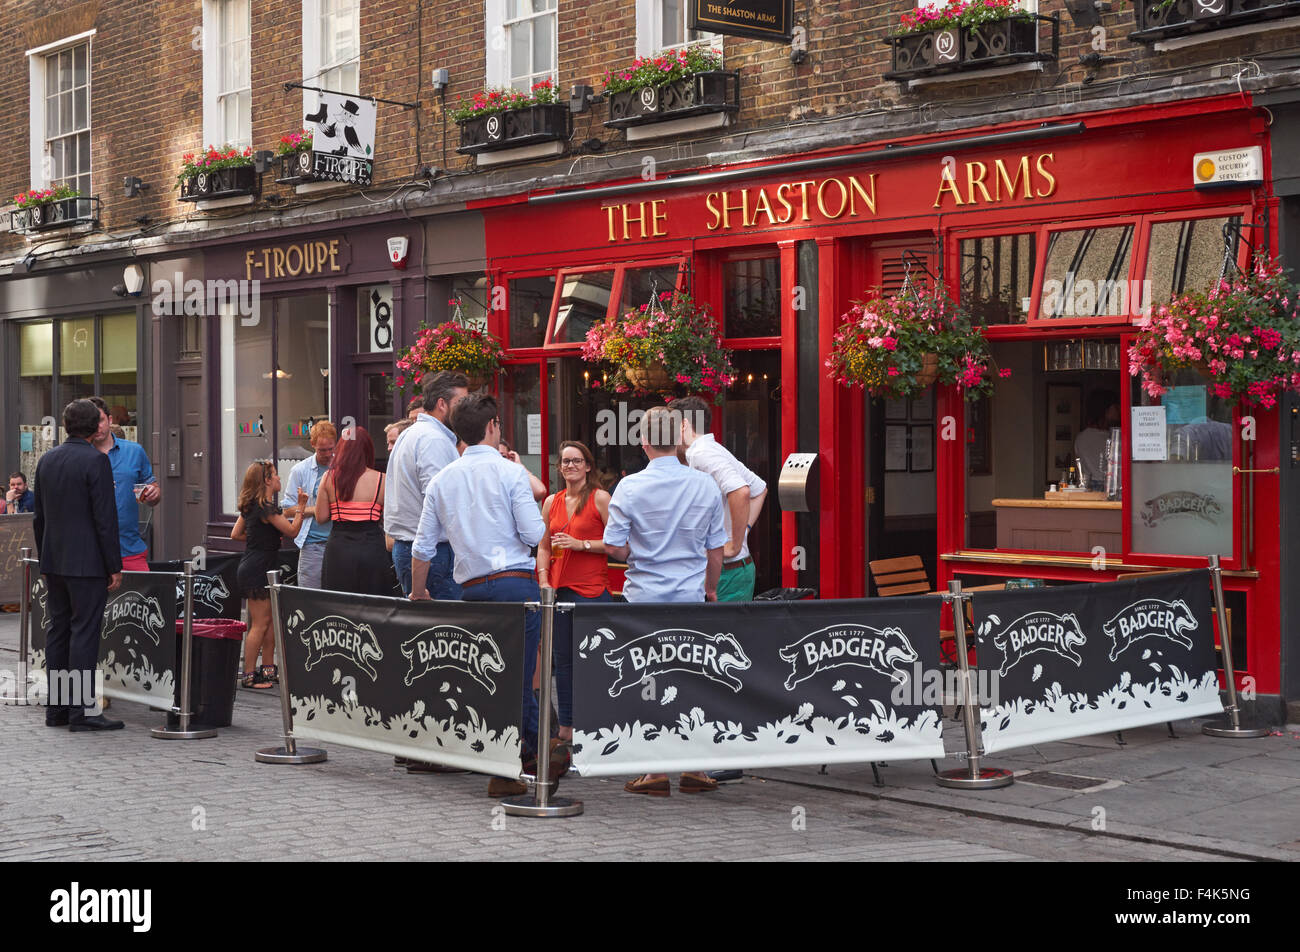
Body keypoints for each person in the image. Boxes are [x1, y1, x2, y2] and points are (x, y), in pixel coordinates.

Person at [411, 394, 548, 798]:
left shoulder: (443, 478)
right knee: (521, 675)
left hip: (471, 590)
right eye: (500, 425)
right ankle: (524, 760)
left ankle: (513, 758)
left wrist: (419, 592)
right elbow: (535, 534)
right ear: (491, 427)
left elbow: (422, 547)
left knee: (487, 679)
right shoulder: (510, 473)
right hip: (513, 582)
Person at [603, 405, 726, 797]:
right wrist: (710, 588)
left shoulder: (629, 487)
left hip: (644, 597)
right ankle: (694, 768)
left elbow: (614, 548)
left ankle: (654, 772)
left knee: (648, 681)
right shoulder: (704, 484)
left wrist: (638, 550)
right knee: (692, 680)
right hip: (689, 596)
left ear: (643, 442)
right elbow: (716, 549)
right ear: (678, 441)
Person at [33, 399, 123, 731]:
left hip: (55, 560)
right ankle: (81, 712)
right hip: (86, 563)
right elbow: (104, 518)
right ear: (93, 426)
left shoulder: (47, 460)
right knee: (84, 633)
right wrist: (113, 564)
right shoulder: (96, 462)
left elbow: (39, 517)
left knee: (58, 632)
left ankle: (56, 710)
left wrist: (45, 558)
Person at [536, 440, 612, 759]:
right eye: (565, 462)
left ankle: (599, 726)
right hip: (559, 590)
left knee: (595, 664)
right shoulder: (552, 501)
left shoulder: (601, 499)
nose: (570, 466)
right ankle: (566, 727)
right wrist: (542, 579)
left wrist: (581, 545)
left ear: (588, 466)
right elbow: (542, 545)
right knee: (563, 663)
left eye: (576, 461)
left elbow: (617, 545)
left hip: (593, 591)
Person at [669, 396, 767, 603]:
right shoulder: (711, 450)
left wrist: (735, 544)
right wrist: (743, 531)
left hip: (726, 572)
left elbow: (742, 491)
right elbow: (760, 489)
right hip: (731, 570)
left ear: (684, 424)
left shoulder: (702, 454)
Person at [386, 371, 468, 598]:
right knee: (445, 631)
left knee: (426, 629)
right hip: (432, 554)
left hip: (417, 550)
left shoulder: (413, 433)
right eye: (460, 403)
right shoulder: (433, 440)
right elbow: (439, 504)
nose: (464, 410)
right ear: (442, 404)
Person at [232, 461, 308, 689]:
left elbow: (236, 534)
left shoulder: (251, 506)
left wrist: (260, 539)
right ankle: (248, 675)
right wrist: (302, 506)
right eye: (275, 475)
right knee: (260, 623)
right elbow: (293, 531)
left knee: (271, 621)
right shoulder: (266, 508)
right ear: (266, 480)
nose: (278, 479)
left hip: (255, 563)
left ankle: (267, 669)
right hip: (259, 567)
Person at [315, 426, 401, 597]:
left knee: (339, 605)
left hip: (338, 550)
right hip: (371, 548)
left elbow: (321, 517)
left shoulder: (329, 478)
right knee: (373, 604)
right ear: (368, 450)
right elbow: (391, 518)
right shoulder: (381, 479)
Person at [88, 397, 160, 572]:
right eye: (91, 422)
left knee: (141, 599)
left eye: (101, 420)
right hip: (89, 552)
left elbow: (153, 491)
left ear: (110, 420)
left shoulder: (134, 451)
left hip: (129, 549)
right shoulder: (77, 455)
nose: (97, 426)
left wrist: (153, 493)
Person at [281, 421, 336, 590]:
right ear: (312, 445)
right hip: (313, 545)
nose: (327, 454)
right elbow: (287, 510)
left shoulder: (342, 468)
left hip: (339, 543)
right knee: (310, 597)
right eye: (322, 450)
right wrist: (318, 509)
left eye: (330, 449)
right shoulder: (300, 470)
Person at [1074, 390, 1119, 490]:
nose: (1119, 410)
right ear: (1106, 410)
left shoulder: (1080, 438)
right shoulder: (1114, 438)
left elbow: (1079, 471)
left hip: (1087, 488)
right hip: (1110, 486)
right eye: (1115, 407)